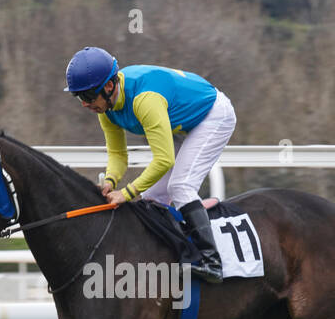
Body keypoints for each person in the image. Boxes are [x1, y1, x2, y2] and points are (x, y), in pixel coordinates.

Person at [63, 46, 235, 283]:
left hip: (213, 115)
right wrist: (112, 181)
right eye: (79, 97)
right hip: (184, 120)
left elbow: (164, 159)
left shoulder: (144, 100)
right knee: (152, 200)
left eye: (87, 96)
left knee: (181, 186)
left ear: (109, 87)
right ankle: (169, 256)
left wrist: (127, 193)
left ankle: (212, 261)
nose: (84, 104)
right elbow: (117, 154)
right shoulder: (106, 108)